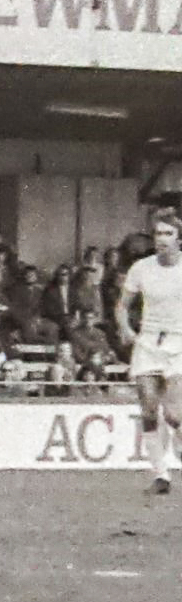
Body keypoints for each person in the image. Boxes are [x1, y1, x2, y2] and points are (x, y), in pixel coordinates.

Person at [116, 208, 182, 495]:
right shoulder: (141, 268)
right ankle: (161, 476)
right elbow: (122, 305)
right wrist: (126, 329)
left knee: (174, 414)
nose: (162, 239)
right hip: (148, 343)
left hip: (179, 343)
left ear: (179, 238)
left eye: (168, 233)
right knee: (148, 408)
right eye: (158, 233)